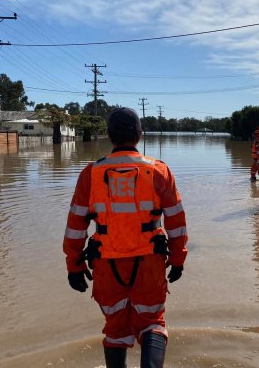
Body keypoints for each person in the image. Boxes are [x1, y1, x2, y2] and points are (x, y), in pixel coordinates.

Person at [63, 107, 188, 368]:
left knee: (115, 330)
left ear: (109, 135)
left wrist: (74, 265)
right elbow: (176, 222)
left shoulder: (91, 173)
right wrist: (178, 259)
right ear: (139, 135)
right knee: (152, 323)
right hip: (149, 262)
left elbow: (75, 226)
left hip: (106, 265)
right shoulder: (159, 171)